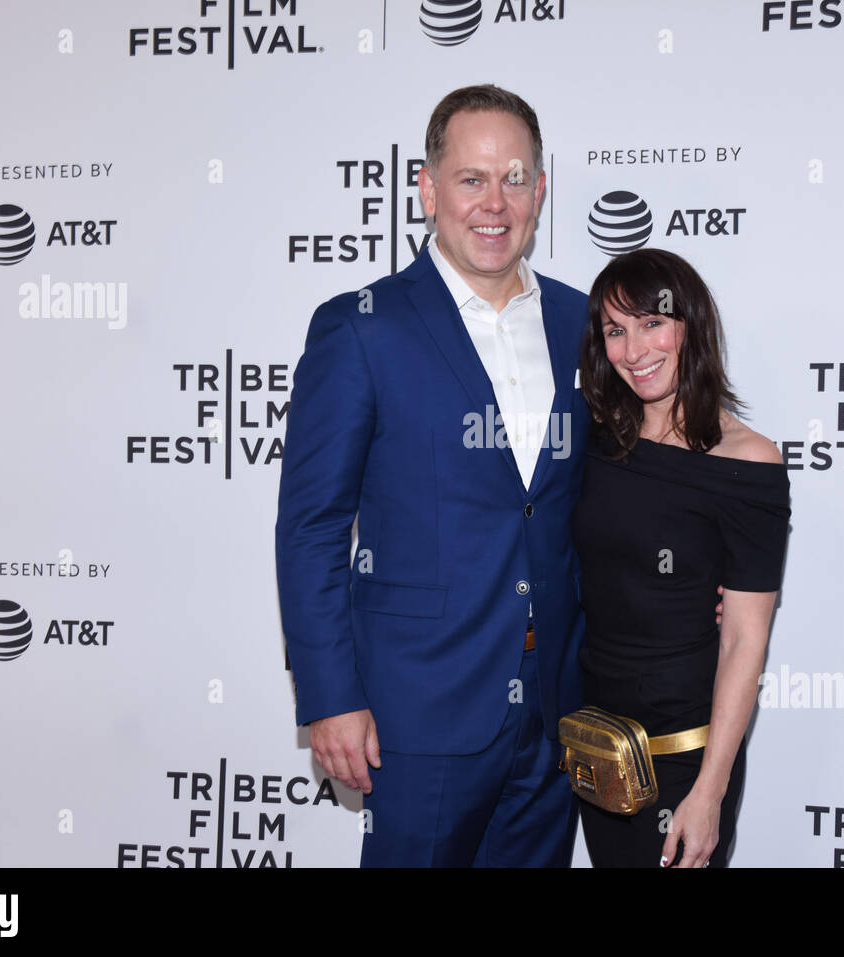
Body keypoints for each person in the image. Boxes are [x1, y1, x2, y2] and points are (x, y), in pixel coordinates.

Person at [275, 85, 590, 866]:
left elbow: (614, 491)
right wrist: (330, 696)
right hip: (415, 713)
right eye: (471, 178)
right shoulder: (360, 328)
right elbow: (311, 527)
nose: (495, 202)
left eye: (515, 178)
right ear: (426, 189)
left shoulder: (582, 323)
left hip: (555, 706)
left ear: (542, 191)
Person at [572, 248, 790, 868]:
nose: (634, 349)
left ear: (690, 324)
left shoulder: (748, 463)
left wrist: (710, 792)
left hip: (686, 756)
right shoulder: (594, 439)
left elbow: (745, 641)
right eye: (615, 330)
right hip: (595, 746)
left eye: (652, 323)